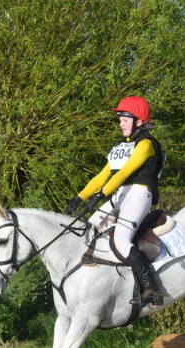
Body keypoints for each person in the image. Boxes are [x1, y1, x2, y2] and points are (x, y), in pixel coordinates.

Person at [64, 96, 166, 306]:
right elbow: (102, 176)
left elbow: (124, 173)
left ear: (139, 121)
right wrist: (80, 196)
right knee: (90, 228)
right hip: (120, 193)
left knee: (121, 240)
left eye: (125, 119)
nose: (120, 124)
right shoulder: (120, 147)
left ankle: (151, 288)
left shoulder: (146, 144)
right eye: (119, 119)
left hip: (139, 194)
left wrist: (101, 195)